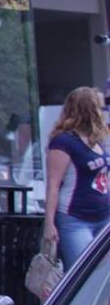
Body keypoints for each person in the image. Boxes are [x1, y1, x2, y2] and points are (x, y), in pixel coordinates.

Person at [42, 86, 110, 273]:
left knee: (104, 278)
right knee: (84, 273)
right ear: (89, 109)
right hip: (76, 219)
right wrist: (49, 223)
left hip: (104, 216)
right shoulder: (64, 142)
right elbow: (53, 185)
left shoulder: (97, 139)